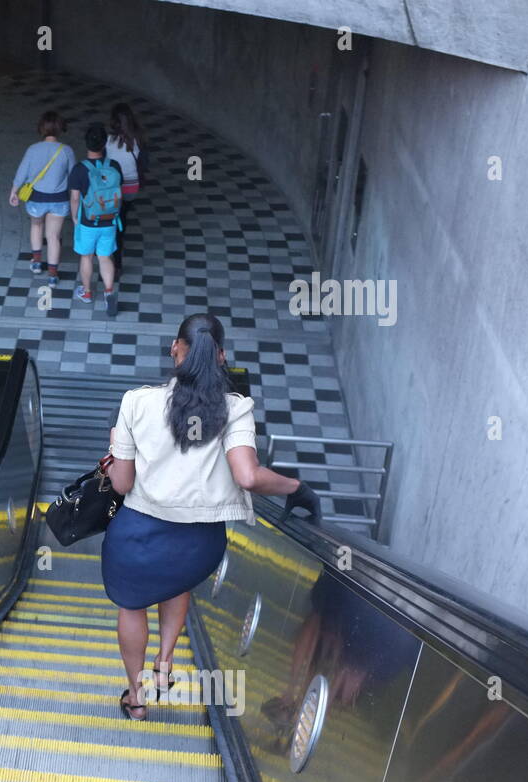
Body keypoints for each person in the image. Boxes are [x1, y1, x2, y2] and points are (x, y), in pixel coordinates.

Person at [100, 313, 322, 720]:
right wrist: (297, 488)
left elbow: (121, 484)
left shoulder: (136, 402)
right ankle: (165, 663)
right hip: (198, 544)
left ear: (174, 349)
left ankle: (136, 697)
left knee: (132, 606)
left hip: (139, 535)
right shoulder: (234, 409)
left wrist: (114, 453)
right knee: (176, 583)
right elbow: (248, 476)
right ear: (221, 356)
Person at [9, 111, 75, 288]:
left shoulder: (33, 149)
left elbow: (21, 172)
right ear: (60, 129)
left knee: (36, 225)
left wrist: (14, 191)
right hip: (59, 199)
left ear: (41, 128)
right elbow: (73, 176)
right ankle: (53, 275)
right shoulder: (66, 150)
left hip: (36, 198)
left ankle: (37, 262)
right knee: (53, 236)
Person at [68, 123, 123, 316]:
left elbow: (75, 198)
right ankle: (109, 293)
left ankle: (87, 292)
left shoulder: (79, 170)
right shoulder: (114, 166)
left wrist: (75, 217)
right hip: (110, 220)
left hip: (88, 221)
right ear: (105, 143)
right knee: (105, 257)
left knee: (87, 256)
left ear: (86, 144)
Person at [105, 103, 144, 273]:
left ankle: (114, 258)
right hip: (132, 188)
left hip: (115, 189)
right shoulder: (138, 140)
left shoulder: (109, 141)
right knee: (122, 216)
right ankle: (121, 231)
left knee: (112, 222)